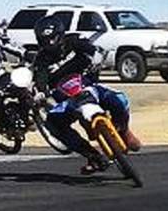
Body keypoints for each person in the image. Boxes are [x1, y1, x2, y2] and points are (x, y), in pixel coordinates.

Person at [28, 19, 141, 174]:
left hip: (88, 84)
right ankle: (92, 156)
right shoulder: (41, 59)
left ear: (60, 34)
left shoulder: (74, 40)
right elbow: (40, 79)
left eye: (53, 38)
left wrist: (97, 56)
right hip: (66, 98)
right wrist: (40, 92)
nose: (50, 43)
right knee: (53, 123)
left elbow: (93, 49)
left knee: (119, 99)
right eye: (45, 40)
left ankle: (123, 129)